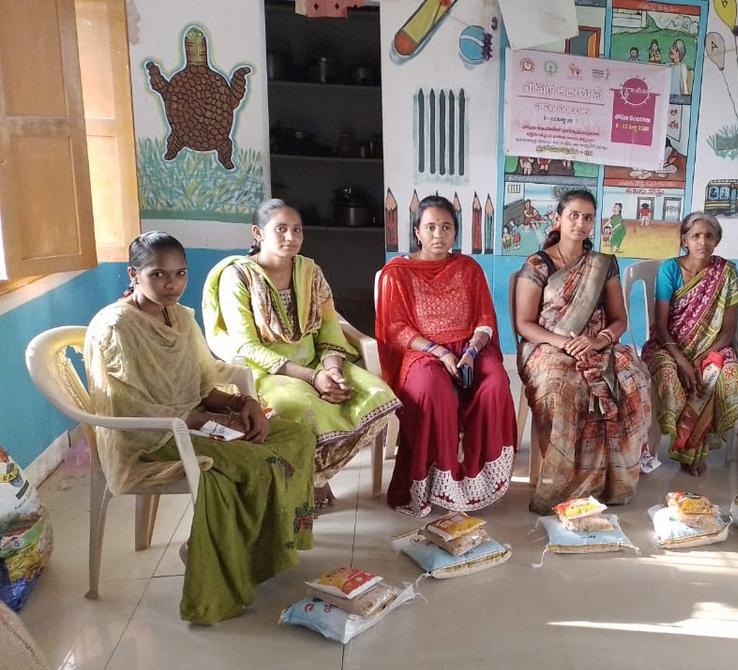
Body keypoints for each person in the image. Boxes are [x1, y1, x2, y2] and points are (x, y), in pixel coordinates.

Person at [85, 232, 316, 624]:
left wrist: (246, 405)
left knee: (295, 436)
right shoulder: (116, 328)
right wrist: (199, 421)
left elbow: (202, 382)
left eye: (180, 273)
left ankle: (269, 544)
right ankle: (226, 563)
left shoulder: (180, 317)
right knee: (254, 463)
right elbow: (128, 408)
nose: (172, 284)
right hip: (150, 437)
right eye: (158, 274)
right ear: (133, 274)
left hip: (193, 421)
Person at [202, 199, 401, 509]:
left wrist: (332, 370)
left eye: (297, 230)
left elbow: (330, 329)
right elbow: (246, 346)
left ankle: (317, 475)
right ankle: (313, 481)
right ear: (258, 233)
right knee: (299, 406)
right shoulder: (238, 277)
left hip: (315, 363)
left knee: (376, 393)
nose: (290, 237)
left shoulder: (310, 271)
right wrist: (312, 378)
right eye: (280, 229)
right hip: (265, 371)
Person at [514, 189, 652, 514]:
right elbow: (524, 324)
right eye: (573, 215)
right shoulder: (537, 263)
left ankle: (615, 482)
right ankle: (562, 485)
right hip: (547, 344)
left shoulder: (603, 264)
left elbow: (619, 319)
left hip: (597, 344)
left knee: (633, 379)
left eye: (587, 217)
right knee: (562, 387)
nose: (580, 222)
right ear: (558, 219)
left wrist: (599, 341)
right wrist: (563, 343)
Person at [376, 196, 516, 517]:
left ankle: (477, 481)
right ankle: (437, 481)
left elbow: (484, 320)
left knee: (494, 385)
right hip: (422, 353)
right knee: (433, 391)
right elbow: (396, 329)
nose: (438, 234)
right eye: (430, 227)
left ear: (456, 232)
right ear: (417, 232)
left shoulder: (468, 268)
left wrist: (469, 352)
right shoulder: (396, 273)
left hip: (469, 350)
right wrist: (438, 351)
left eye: (446, 227)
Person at [642, 212, 738, 476]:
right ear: (684, 239)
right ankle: (684, 445)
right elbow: (662, 329)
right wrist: (683, 361)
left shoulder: (726, 272)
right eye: (696, 236)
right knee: (667, 375)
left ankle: (695, 448)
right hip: (669, 346)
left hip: (714, 346)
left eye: (709, 236)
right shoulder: (670, 269)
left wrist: (703, 358)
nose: (702, 242)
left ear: (717, 241)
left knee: (728, 376)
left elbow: (729, 331)